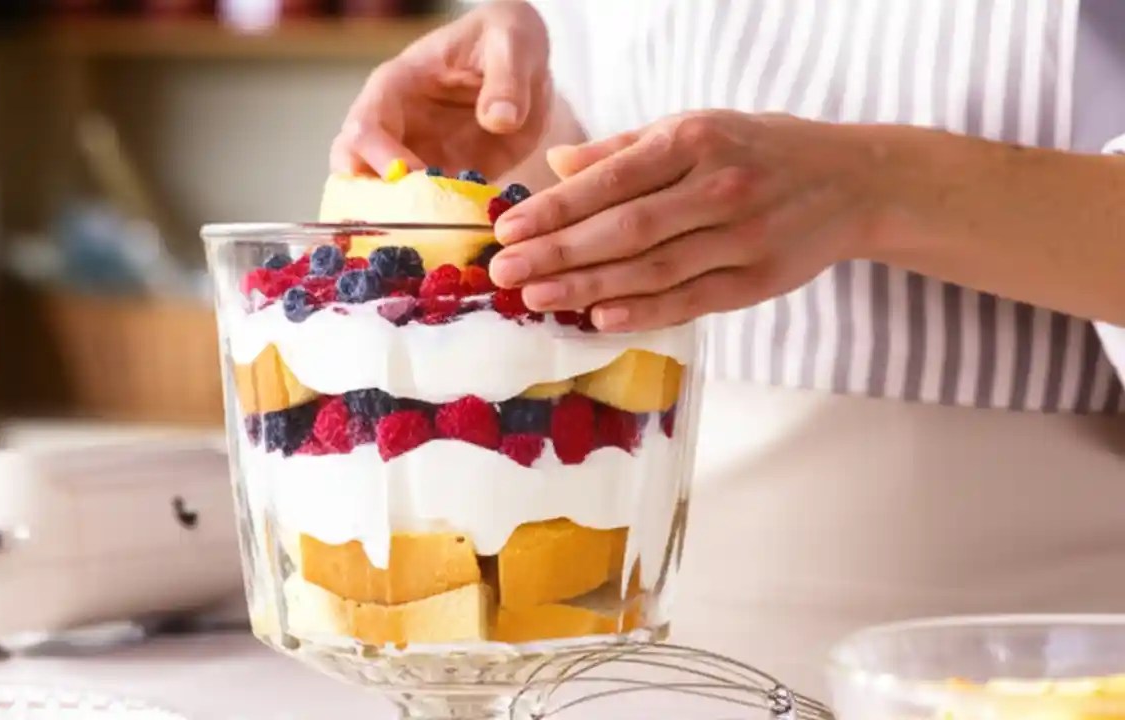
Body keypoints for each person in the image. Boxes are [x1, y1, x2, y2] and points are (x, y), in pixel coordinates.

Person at [330, 0, 1125, 694]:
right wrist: (513, 145)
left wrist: (872, 183)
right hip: (623, 663)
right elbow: (593, 151)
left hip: (1038, 665)